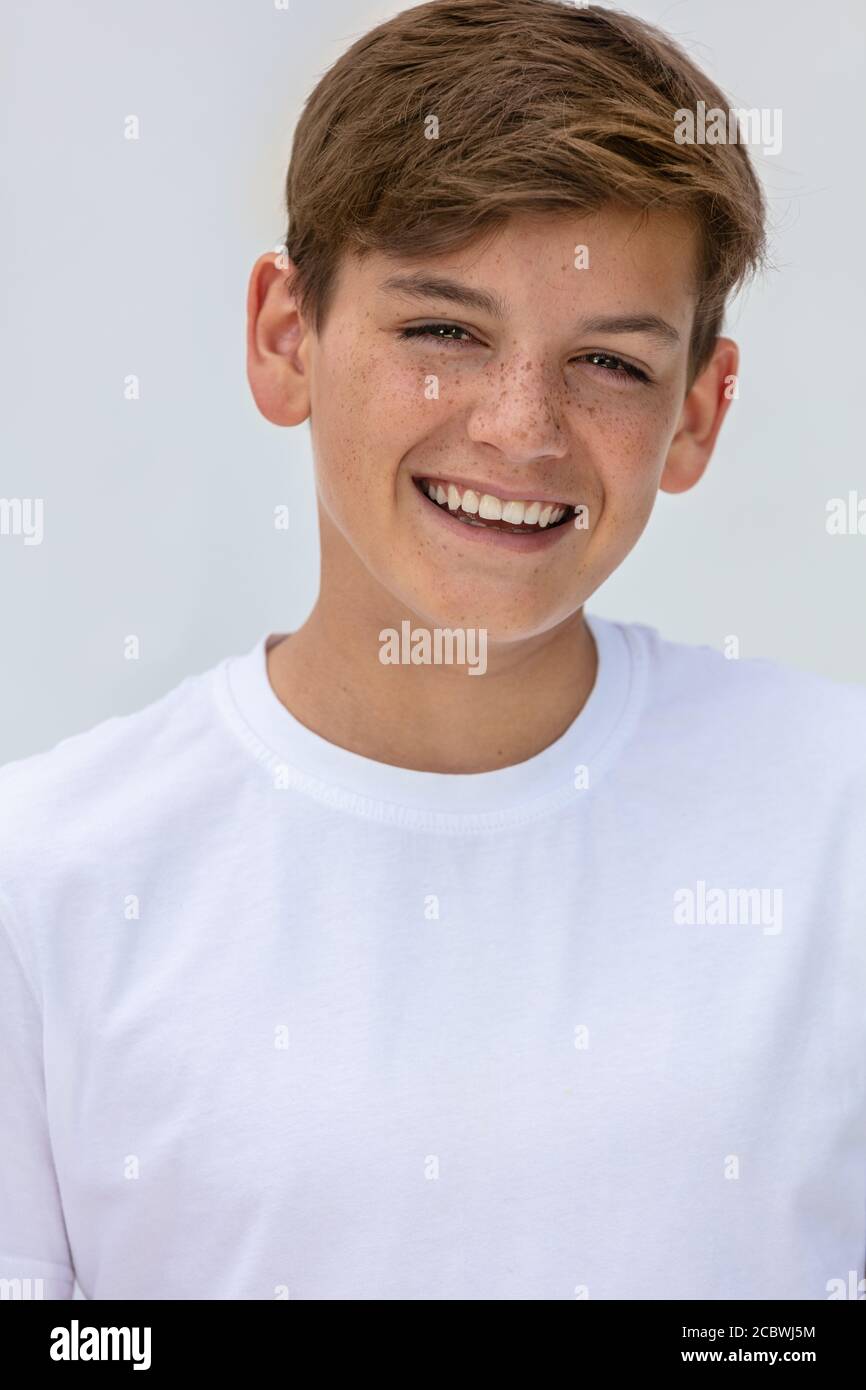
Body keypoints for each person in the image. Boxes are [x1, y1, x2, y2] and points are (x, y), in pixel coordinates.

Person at [1, 0, 864, 1302]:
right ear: (286, 335)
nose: (521, 431)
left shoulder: (836, 819)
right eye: (442, 331)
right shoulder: (46, 880)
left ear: (698, 411)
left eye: (610, 364)